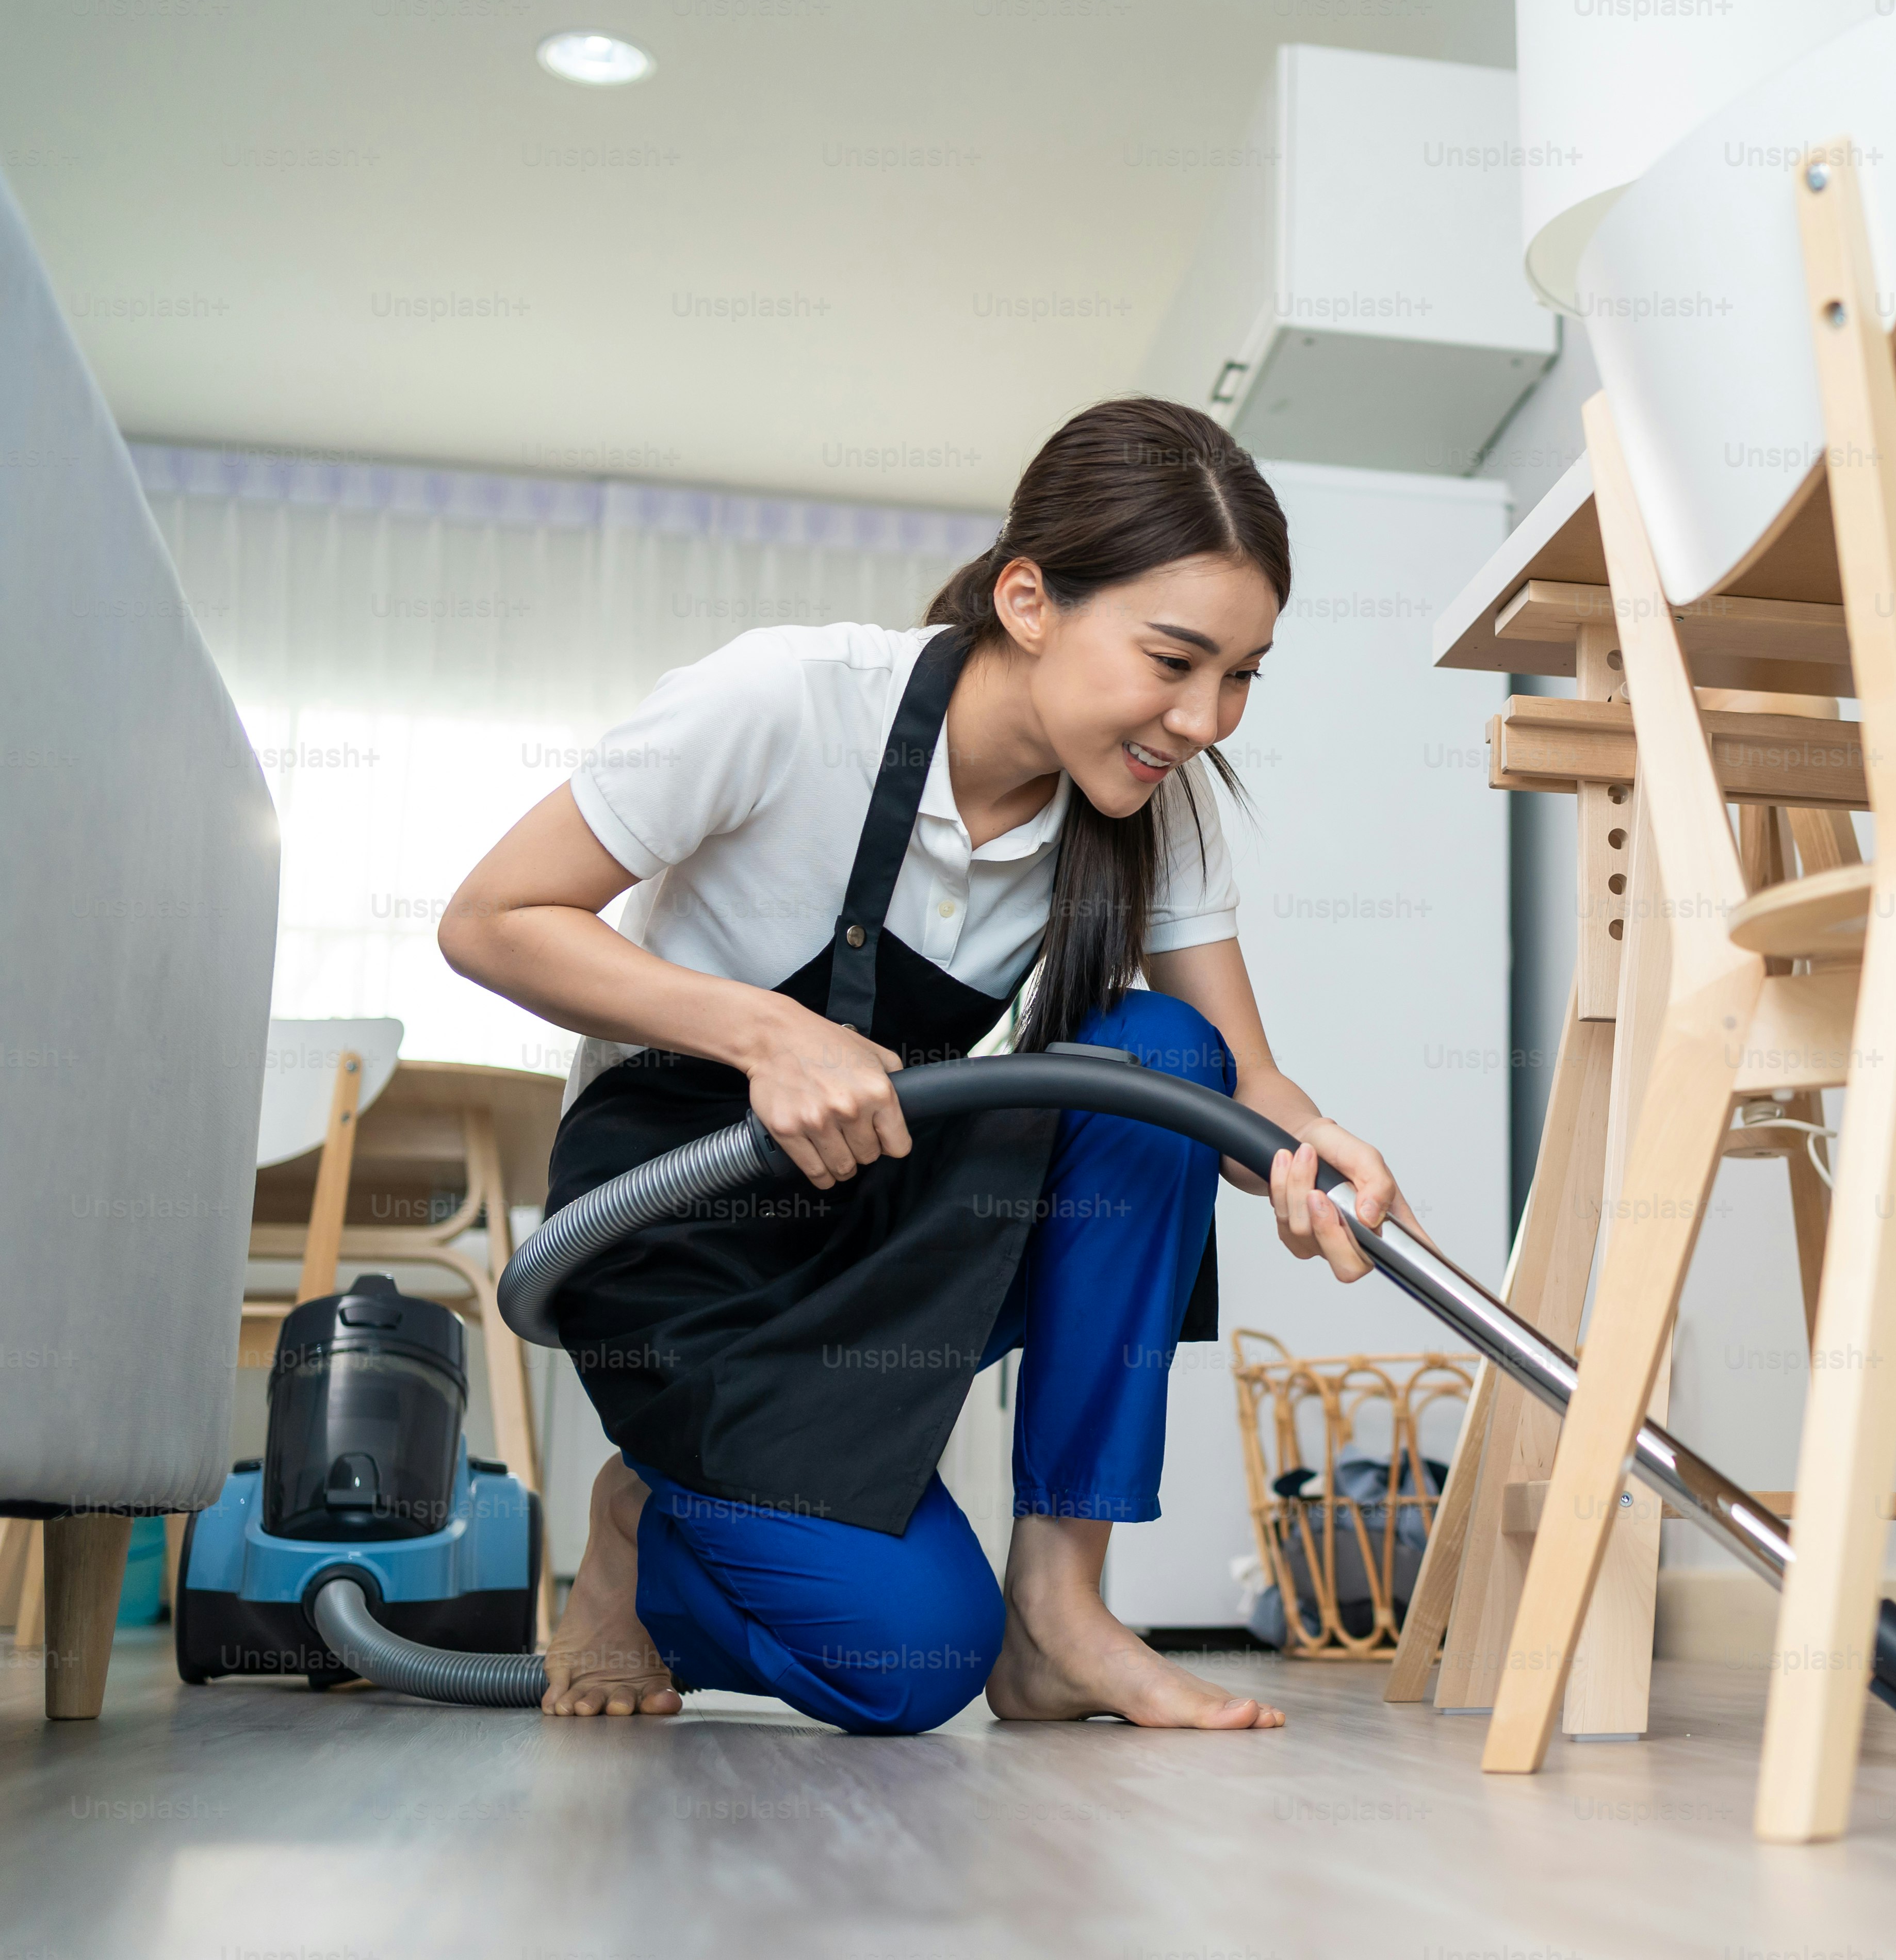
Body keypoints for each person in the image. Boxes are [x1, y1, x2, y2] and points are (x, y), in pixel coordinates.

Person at [441, 398, 1404, 1735]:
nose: (1203, 719)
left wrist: (1312, 1147)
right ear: (1028, 598)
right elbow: (490, 920)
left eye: (1240, 675)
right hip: (681, 1227)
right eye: (1175, 659)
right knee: (908, 1669)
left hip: (871, 1192)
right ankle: (638, 1546)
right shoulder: (784, 702)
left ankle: (1062, 1613)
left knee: (1164, 1062)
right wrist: (764, 1032)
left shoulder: (1153, 803)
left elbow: (1242, 1076)